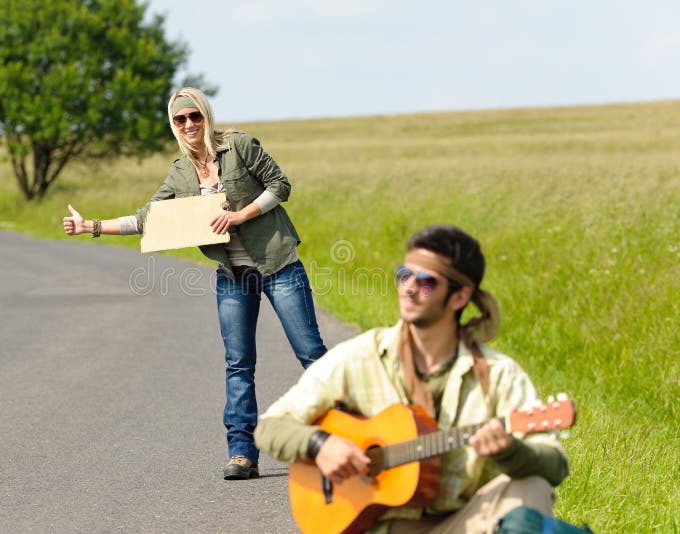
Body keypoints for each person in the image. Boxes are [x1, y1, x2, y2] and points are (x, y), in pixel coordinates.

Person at [62, 87, 328, 480]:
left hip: (277, 264)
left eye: (194, 116)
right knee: (238, 365)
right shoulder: (181, 172)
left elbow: (280, 186)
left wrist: (240, 216)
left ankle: (350, 434)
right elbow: (149, 218)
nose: (189, 124)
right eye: (180, 119)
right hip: (233, 278)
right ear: (174, 125)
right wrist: (93, 227)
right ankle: (242, 454)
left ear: (206, 115)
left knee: (311, 354)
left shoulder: (238, 146)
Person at [255, 225, 569, 533]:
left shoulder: (498, 374)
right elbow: (270, 427)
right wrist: (321, 444)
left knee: (531, 487)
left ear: (460, 297)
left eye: (427, 281)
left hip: (463, 522)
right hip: (377, 526)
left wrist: (511, 452)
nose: (409, 287)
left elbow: (555, 464)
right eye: (404, 275)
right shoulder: (359, 357)